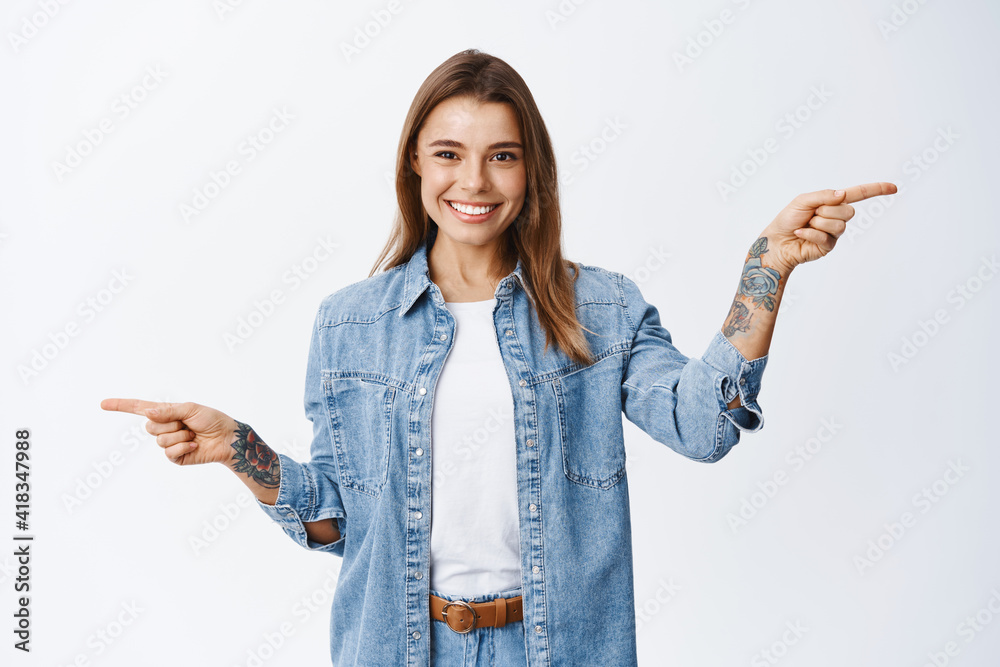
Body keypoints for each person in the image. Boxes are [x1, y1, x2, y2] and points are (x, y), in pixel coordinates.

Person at [101, 49, 897, 666]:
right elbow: (339, 523)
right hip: (402, 645)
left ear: (532, 168)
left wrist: (766, 268)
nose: (473, 181)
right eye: (448, 153)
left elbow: (704, 429)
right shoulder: (349, 323)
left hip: (556, 644)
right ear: (415, 161)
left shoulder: (603, 307)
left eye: (502, 156)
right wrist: (237, 447)